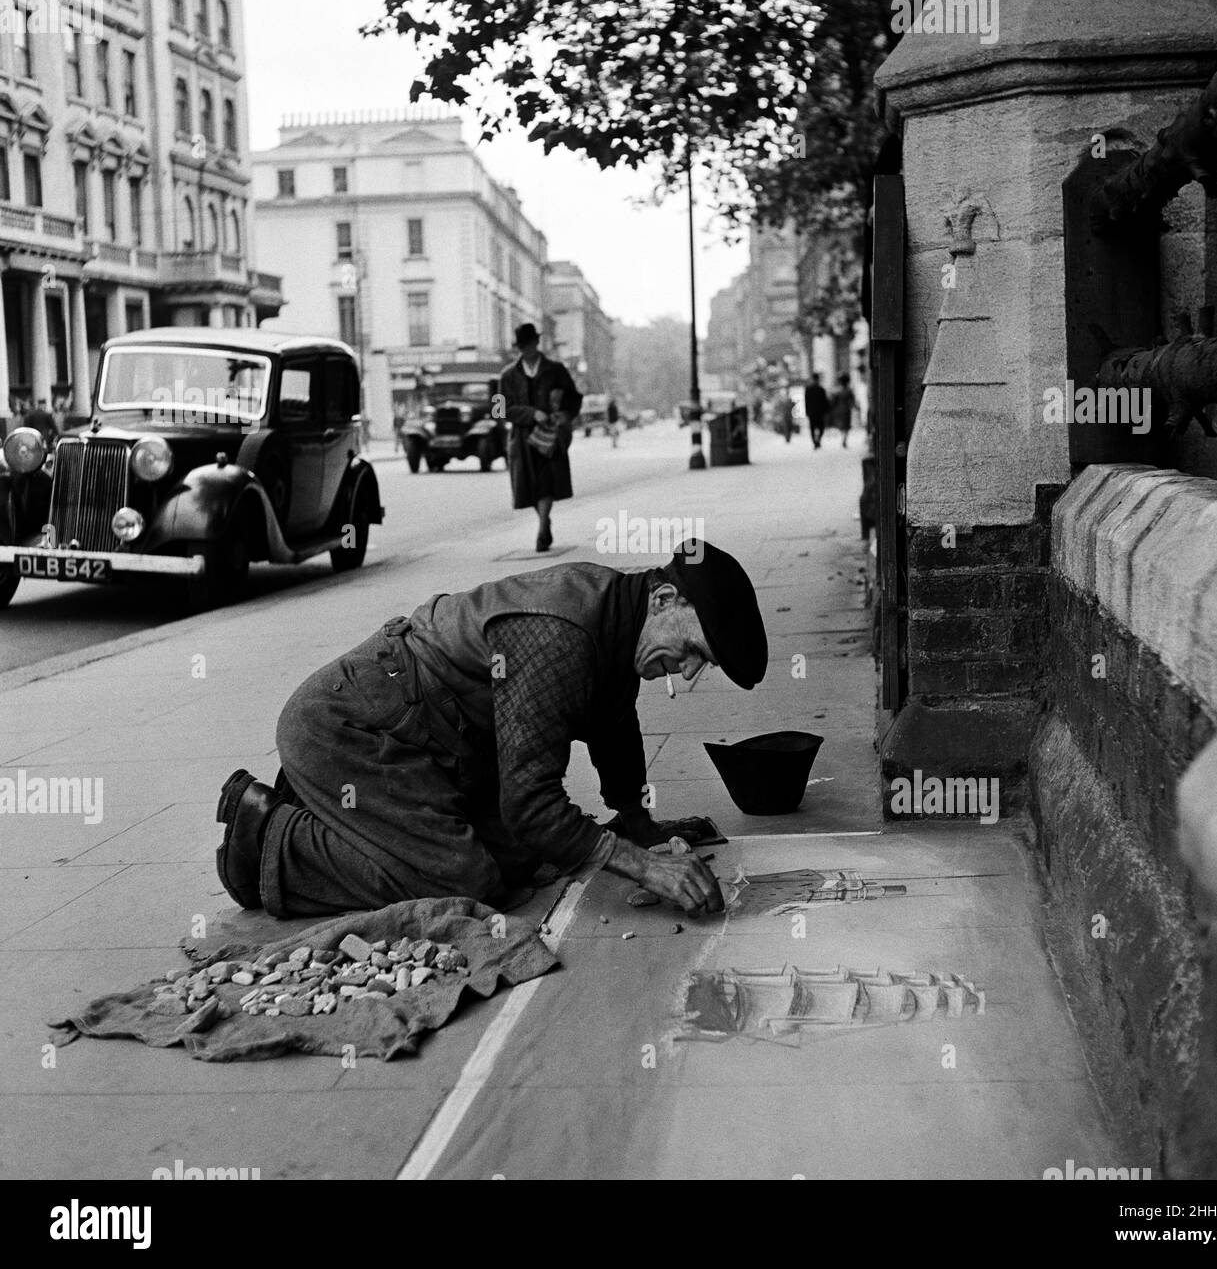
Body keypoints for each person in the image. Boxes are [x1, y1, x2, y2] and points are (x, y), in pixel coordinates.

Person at [214, 539, 769, 920]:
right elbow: (531, 806)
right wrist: (645, 866)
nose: (691, 671)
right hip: (348, 731)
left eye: (704, 664)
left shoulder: (621, 616)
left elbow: (614, 720)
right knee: (467, 883)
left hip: (424, 749)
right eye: (695, 649)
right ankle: (271, 838)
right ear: (666, 599)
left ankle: (339, 811)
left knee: (522, 861)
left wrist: (636, 823)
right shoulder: (561, 636)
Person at [500, 323, 580, 552]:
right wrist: (531, 413)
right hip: (522, 439)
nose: (527, 349)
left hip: (551, 435)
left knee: (547, 482)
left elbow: (573, 398)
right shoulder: (507, 376)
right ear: (519, 347)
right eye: (523, 346)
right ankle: (545, 520)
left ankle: (543, 527)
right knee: (530, 485)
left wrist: (564, 415)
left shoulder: (556, 370)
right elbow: (499, 410)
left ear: (537, 342)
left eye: (530, 344)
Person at [829, 373, 856, 449]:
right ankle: (844, 439)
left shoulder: (838, 391)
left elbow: (833, 401)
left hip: (839, 409)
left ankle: (843, 438)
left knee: (842, 425)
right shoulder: (849, 390)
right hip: (847, 409)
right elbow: (852, 400)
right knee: (846, 425)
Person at [804, 372, 829, 450]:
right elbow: (825, 401)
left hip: (813, 412)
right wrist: (826, 411)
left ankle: (815, 441)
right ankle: (817, 441)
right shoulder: (821, 389)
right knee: (820, 427)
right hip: (819, 412)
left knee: (813, 427)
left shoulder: (809, 389)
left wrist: (807, 412)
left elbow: (806, 402)